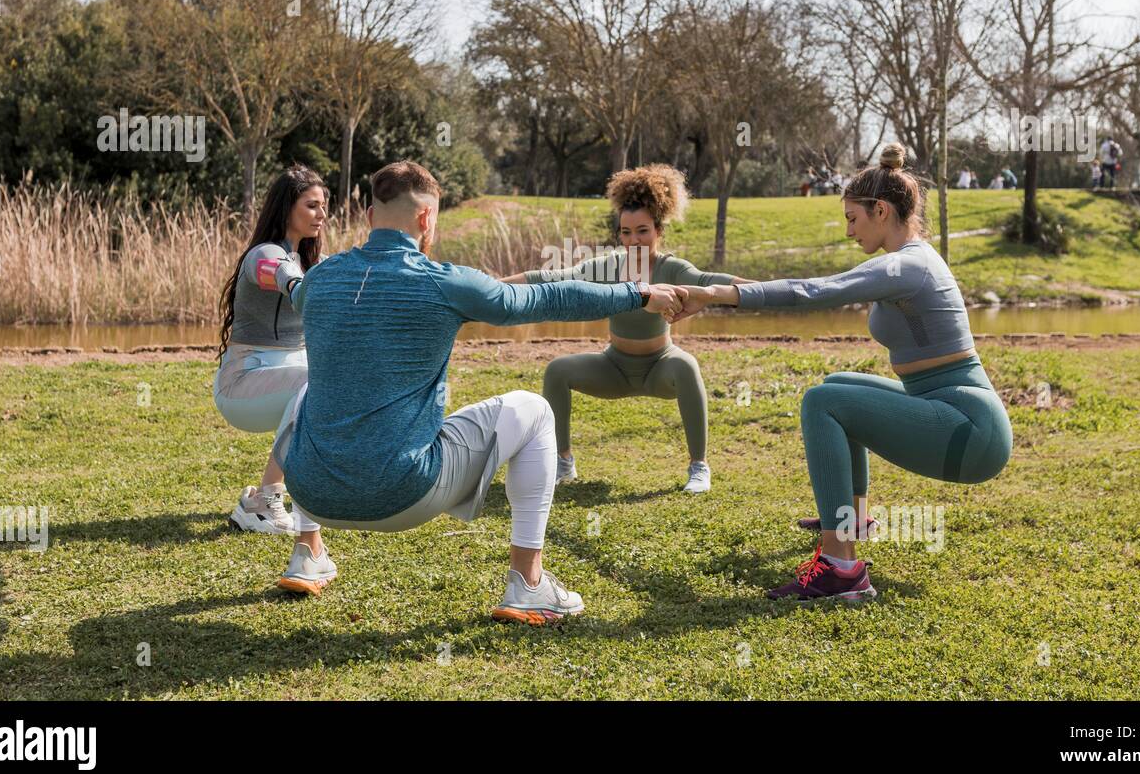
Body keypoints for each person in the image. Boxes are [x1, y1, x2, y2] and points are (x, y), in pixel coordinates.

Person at [268, 161, 688, 623]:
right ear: (427, 219)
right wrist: (639, 293)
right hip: (404, 494)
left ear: (370, 216)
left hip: (312, 492)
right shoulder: (444, 282)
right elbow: (548, 299)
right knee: (535, 410)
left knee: (306, 392)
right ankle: (528, 584)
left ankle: (307, 551)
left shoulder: (321, 280)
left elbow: (296, 289)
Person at [672, 142, 1013, 601]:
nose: (849, 231)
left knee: (822, 402)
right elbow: (808, 290)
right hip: (951, 411)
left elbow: (812, 291)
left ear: (881, 210)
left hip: (971, 433)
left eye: (853, 218)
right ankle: (850, 518)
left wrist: (715, 296)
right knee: (835, 387)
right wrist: (716, 288)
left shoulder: (906, 265)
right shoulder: (905, 261)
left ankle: (840, 568)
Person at [501, 165, 750, 494]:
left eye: (643, 231)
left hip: (660, 367)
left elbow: (713, 282)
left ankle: (698, 466)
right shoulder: (606, 265)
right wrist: (492, 288)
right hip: (614, 367)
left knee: (687, 365)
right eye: (626, 232)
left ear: (659, 230)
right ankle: (563, 462)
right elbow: (549, 278)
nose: (634, 240)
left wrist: (773, 291)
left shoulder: (671, 268)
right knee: (557, 370)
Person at [214, 165, 328, 535]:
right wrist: (296, 284)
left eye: (323, 206)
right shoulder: (263, 256)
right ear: (286, 208)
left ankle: (327, 488)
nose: (321, 215)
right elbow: (276, 272)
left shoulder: (313, 263)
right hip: (242, 385)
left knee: (339, 379)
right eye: (311, 206)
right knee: (317, 382)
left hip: (287, 381)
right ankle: (262, 501)